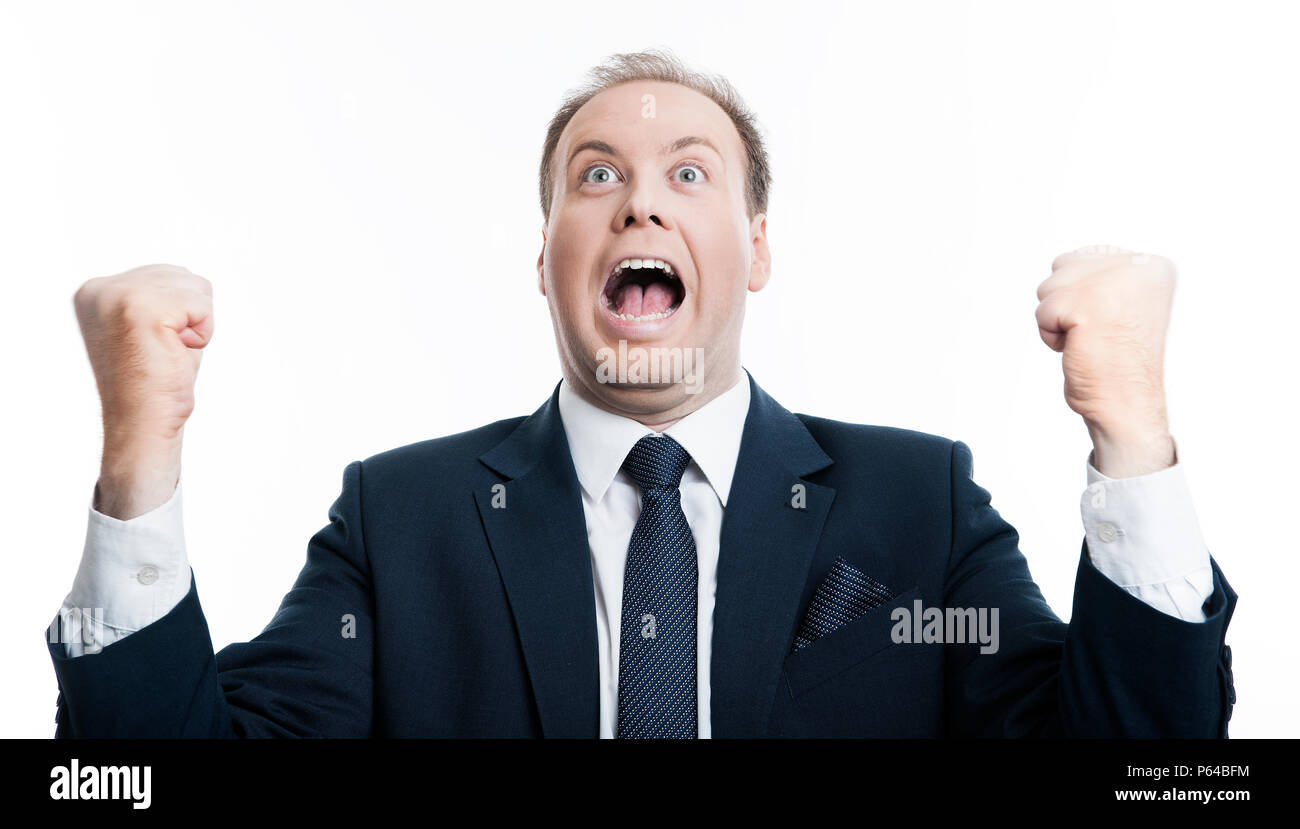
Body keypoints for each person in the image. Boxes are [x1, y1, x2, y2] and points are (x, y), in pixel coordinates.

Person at [47, 50, 1236, 738]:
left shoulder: (913, 505)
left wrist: (1131, 437)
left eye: (687, 174)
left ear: (756, 251)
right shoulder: (399, 521)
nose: (639, 204)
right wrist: (139, 465)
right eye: (596, 175)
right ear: (546, 254)